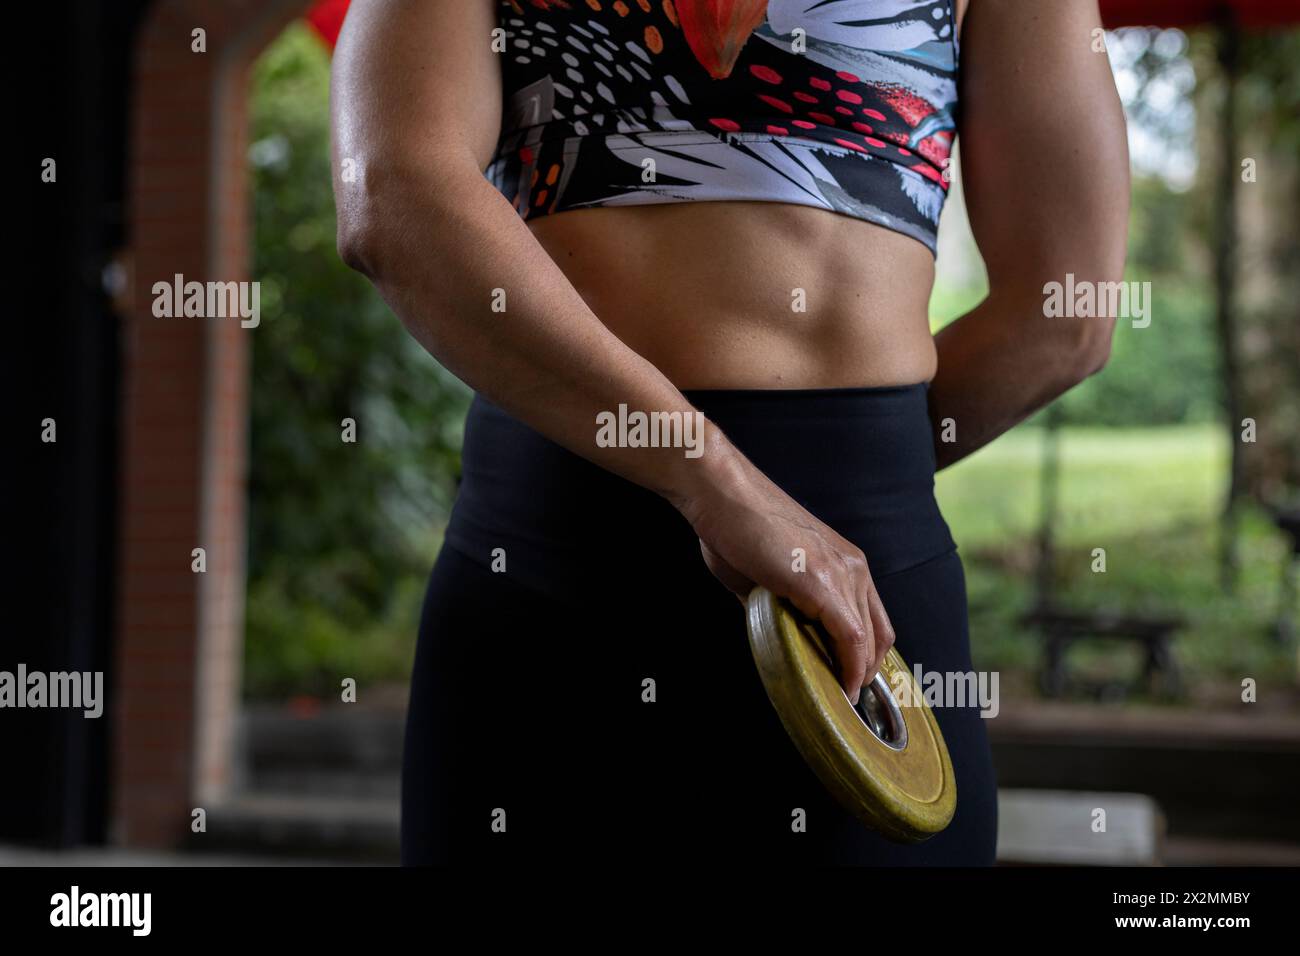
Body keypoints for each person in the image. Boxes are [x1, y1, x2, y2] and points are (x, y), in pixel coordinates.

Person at [331, 0, 1129, 865]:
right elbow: (390, 188)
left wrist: (802, 495)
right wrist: (726, 484)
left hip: (844, 610)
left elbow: (1066, 311)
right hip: (549, 574)